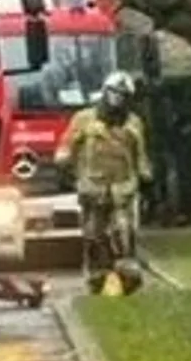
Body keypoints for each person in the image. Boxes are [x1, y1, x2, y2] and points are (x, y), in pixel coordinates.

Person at [55, 70, 152, 291]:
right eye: (114, 92)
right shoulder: (84, 119)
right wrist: (63, 162)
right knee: (93, 234)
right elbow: (67, 144)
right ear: (105, 92)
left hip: (123, 187)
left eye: (123, 95)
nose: (117, 99)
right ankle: (96, 275)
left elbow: (140, 154)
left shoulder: (133, 123)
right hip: (92, 186)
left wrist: (145, 176)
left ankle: (128, 273)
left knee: (124, 230)